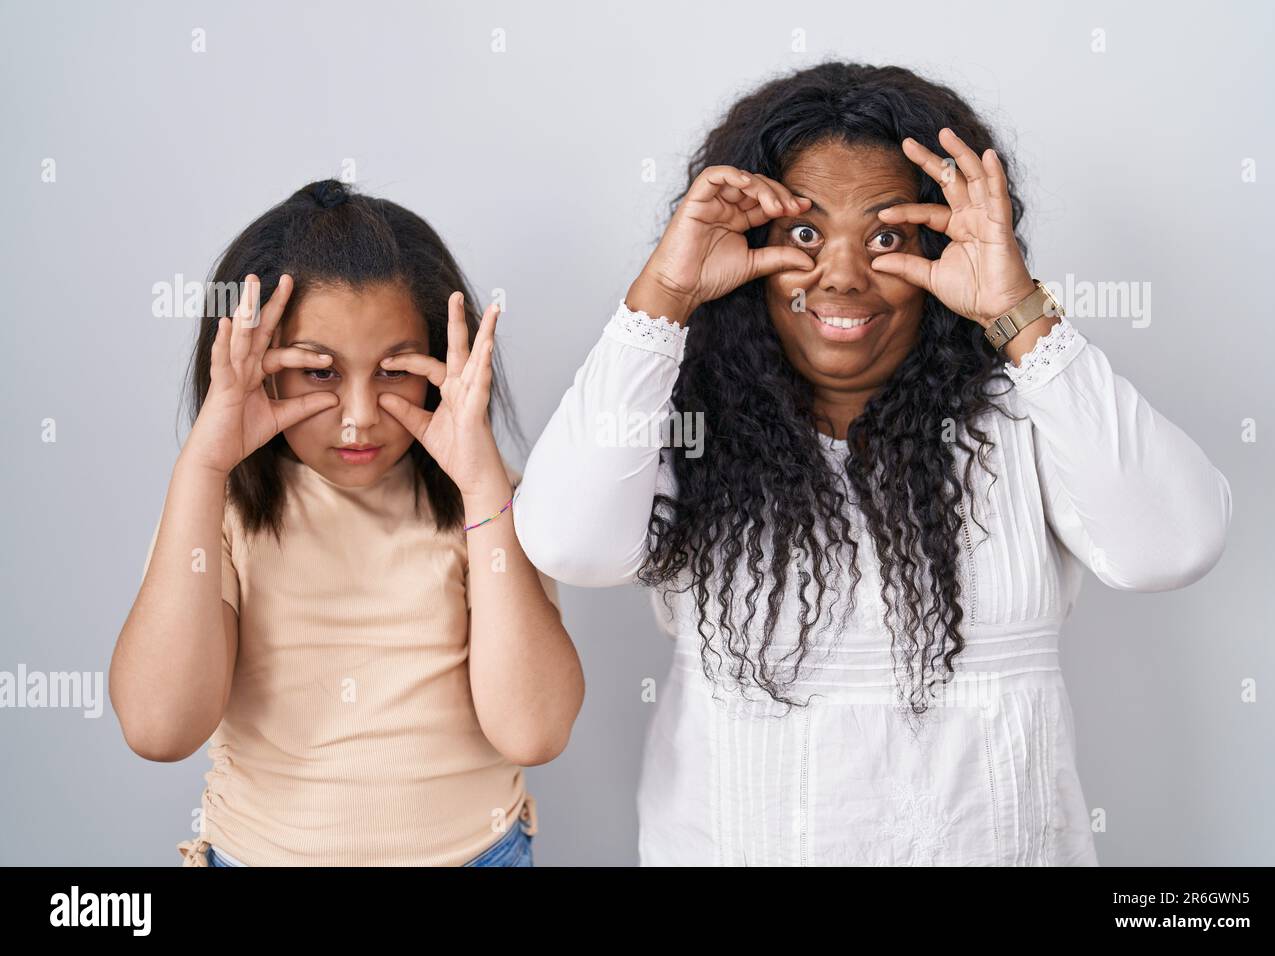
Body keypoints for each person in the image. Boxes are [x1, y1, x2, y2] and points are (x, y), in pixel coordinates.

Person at [514, 62, 1232, 865]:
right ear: (750, 246)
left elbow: (1171, 547)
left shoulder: (1025, 410)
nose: (845, 274)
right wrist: (667, 291)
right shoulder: (683, 421)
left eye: (887, 236)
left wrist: (1017, 314)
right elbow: (567, 541)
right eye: (806, 234)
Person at [111, 179, 583, 866]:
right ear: (257, 364)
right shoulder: (219, 507)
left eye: (394, 370)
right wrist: (203, 468)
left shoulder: (489, 500)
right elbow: (159, 727)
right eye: (320, 372)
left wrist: (482, 486)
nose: (360, 416)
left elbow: (534, 731)